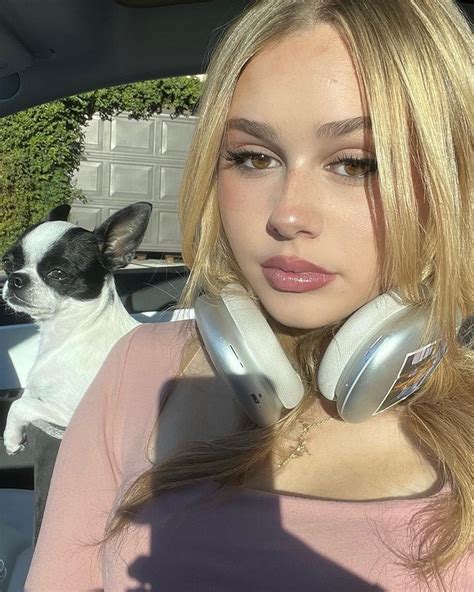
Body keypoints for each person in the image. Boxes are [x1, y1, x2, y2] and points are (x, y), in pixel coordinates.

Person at [25, 0, 472, 590]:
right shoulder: (141, 370)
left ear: (450, 179)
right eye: (254, 157)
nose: (287, 215)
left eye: (357, 163)